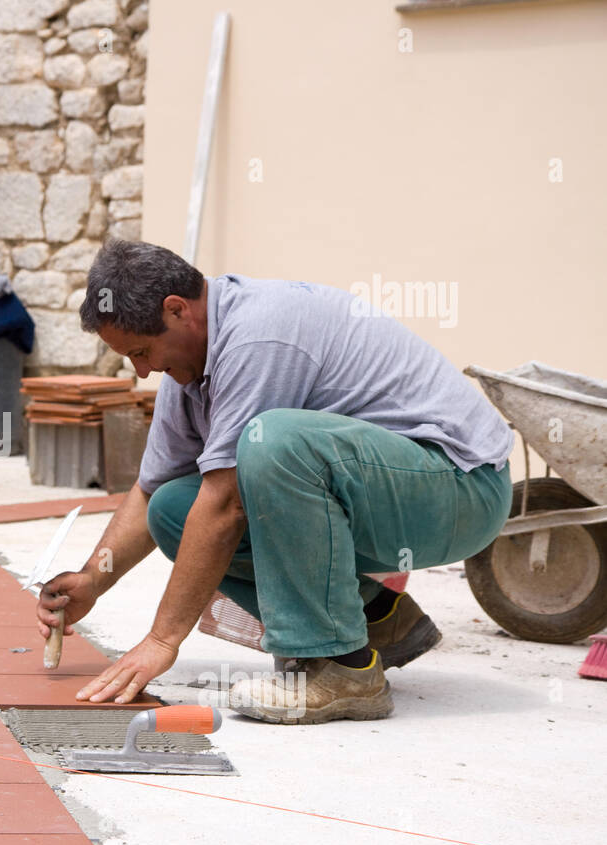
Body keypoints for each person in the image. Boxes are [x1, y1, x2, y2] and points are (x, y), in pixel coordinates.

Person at [35, 239, 513, 723]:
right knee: (173, 510)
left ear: (178, 311)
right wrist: (93, 580)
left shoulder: (257, 337)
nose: (142, 371)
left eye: (141, 351)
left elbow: (225, 506)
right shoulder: (190, 371)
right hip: (388, 497)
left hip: (459, 489)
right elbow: (151, 491)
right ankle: (378, 620)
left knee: (271, 442)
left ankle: (344, 672)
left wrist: (161, 641)